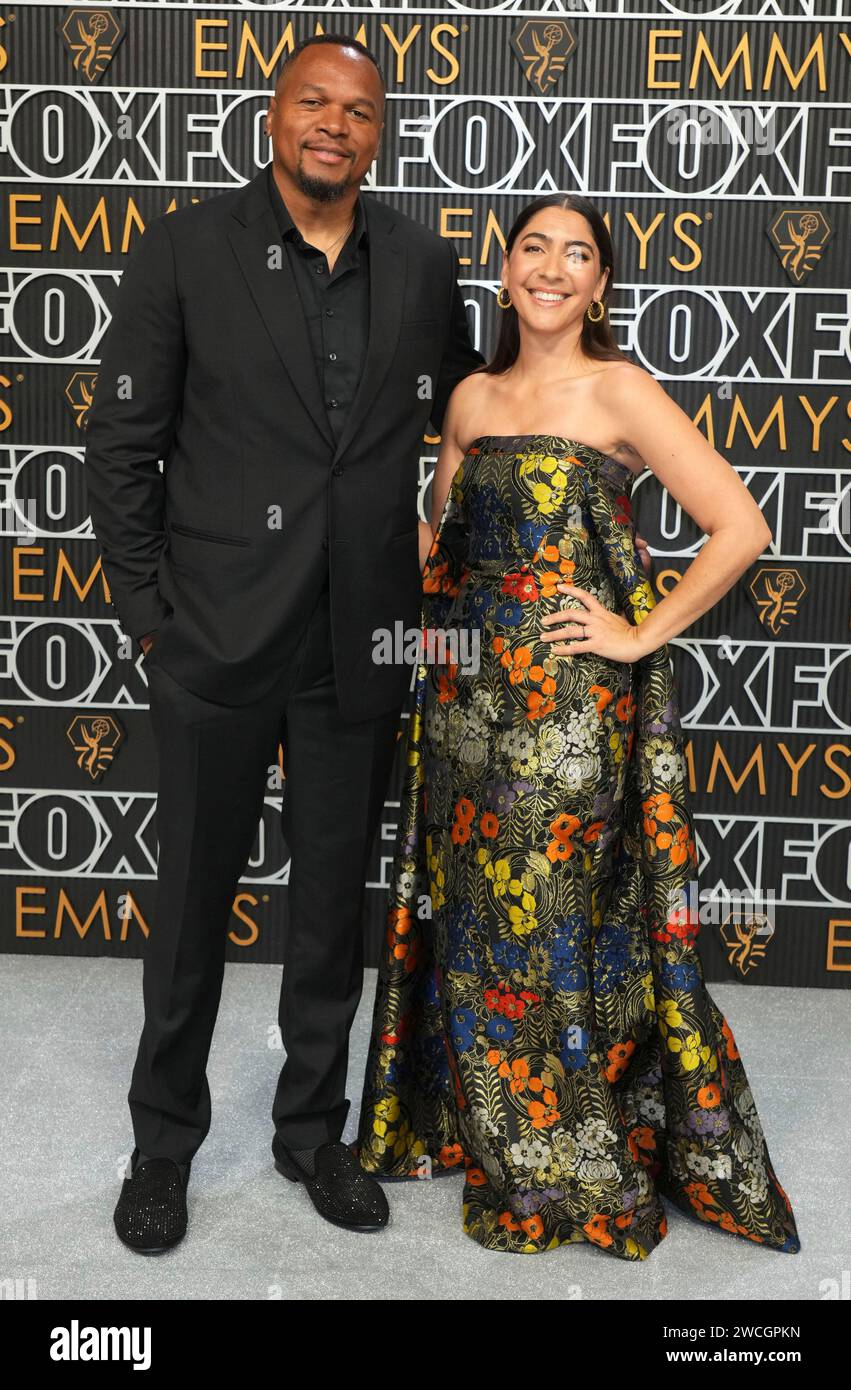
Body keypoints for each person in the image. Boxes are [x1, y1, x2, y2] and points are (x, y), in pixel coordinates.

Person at [84, 33, 487, 1253]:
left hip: (359, 641)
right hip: (212, 636)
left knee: (328, 912)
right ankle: (163, 1146)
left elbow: (469, 418)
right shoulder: (186, 248)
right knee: (191, 905)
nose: (334, 124)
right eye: (312, 101)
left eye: (357, 110)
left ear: (379, 133)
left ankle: (314, 1131)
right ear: (273, 117)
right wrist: (153, 617)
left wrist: (592, 412)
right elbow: (121, 448)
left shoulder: (421, 264)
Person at [356, 194, 802, 1260]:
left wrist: (639, 631)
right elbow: (444, 551)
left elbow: (738, 525)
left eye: (578, 255)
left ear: (600, 284)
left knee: (554, 920)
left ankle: (562, 1143)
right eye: (531, 248)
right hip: (462, 705)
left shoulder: (620, 390)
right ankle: (473, 1113)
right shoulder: (467, 397)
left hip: (566, 717)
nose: (551, 269)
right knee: (468, 915)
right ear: (504, 269)